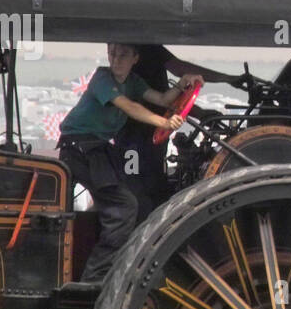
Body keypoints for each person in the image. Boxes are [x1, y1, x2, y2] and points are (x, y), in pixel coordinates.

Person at [57, 43, 196, 283]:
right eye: (113, 54)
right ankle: (95, 279)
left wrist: (183, 84)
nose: (116, 60)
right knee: (124, 208)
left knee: (126, 201)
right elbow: (129, 107)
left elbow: (162, 99)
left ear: (135, 59)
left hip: (96, 148)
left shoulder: (133, 82)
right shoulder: (102, 77)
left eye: (123, 55)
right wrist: (163, 124)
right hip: (80, 148)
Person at [119, 44, 239, 220]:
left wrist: (201, 113)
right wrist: (227, 78)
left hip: (150, 135)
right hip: (137, 135)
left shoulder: (143, 56)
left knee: (149, 185)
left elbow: (168, 100)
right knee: (140, 189)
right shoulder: (146, 46)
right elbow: (181, 70)